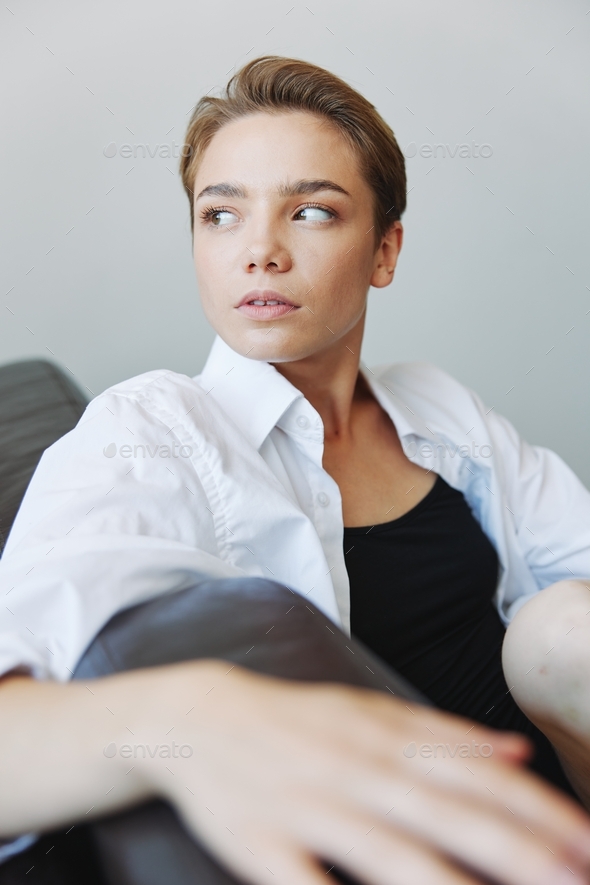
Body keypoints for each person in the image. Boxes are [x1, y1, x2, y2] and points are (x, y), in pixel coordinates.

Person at [1, 54, 590, 885]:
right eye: (221, 215)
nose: (260, 251)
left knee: (565, 627)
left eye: (311, 211)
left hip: (553, 807)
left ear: (384, 251)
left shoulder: (440, 407)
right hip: (414, 851)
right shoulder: (153, 430)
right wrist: (190, 718)